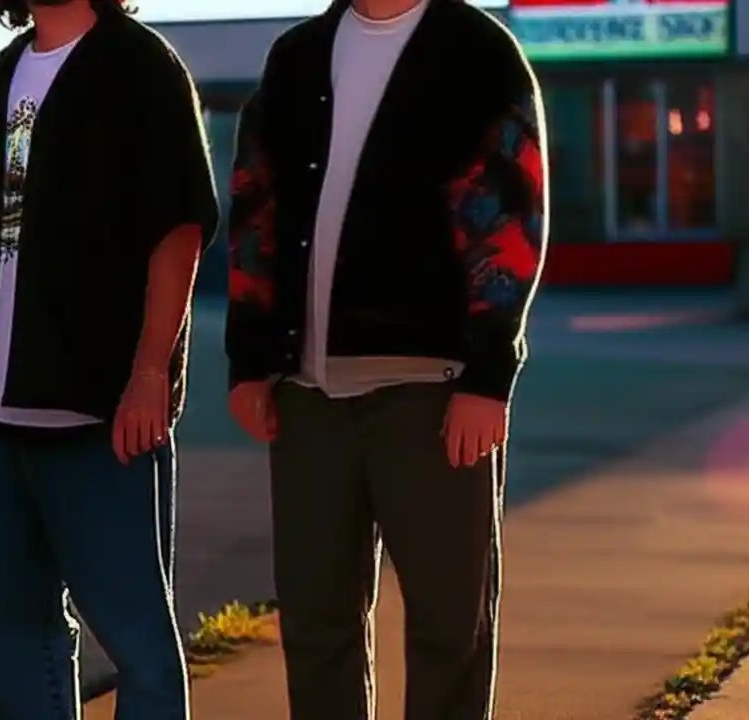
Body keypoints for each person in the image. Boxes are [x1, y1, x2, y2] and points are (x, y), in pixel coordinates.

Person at [225, 0, 547, 718]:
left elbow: (511, 220)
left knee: (448, 626)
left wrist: (487, 379)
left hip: (433, 393)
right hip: (307, 393)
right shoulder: (296, 56)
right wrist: (249, 360)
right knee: (315, 624)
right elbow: (255, 207)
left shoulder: (476, 53)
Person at [0, 1, 218, 718]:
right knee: (14, 631)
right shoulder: (2, 76)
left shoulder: (141, 67)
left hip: (98, 413)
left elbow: (178, 230)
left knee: (140, 647)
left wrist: (150, 372)